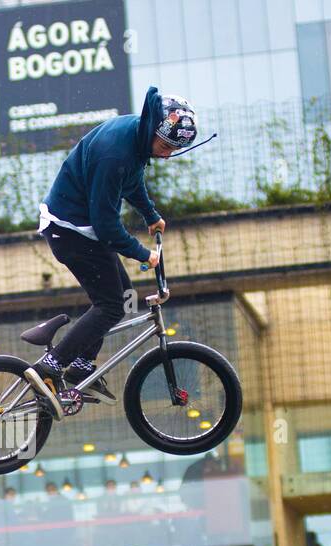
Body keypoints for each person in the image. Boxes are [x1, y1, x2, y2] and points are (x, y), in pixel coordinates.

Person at [32, 87, 199, 401]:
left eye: (174, 149)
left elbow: (131, 181)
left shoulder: (136, 137)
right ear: (153, 129)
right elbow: (106, 226)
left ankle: (81, 367)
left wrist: (150, 214)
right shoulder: (115, 154)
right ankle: (50, 366)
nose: (167, 155)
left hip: (79, 229)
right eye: (165, 146)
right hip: (70, 231)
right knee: (112, 305)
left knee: (122, 298)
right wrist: (142, 254)